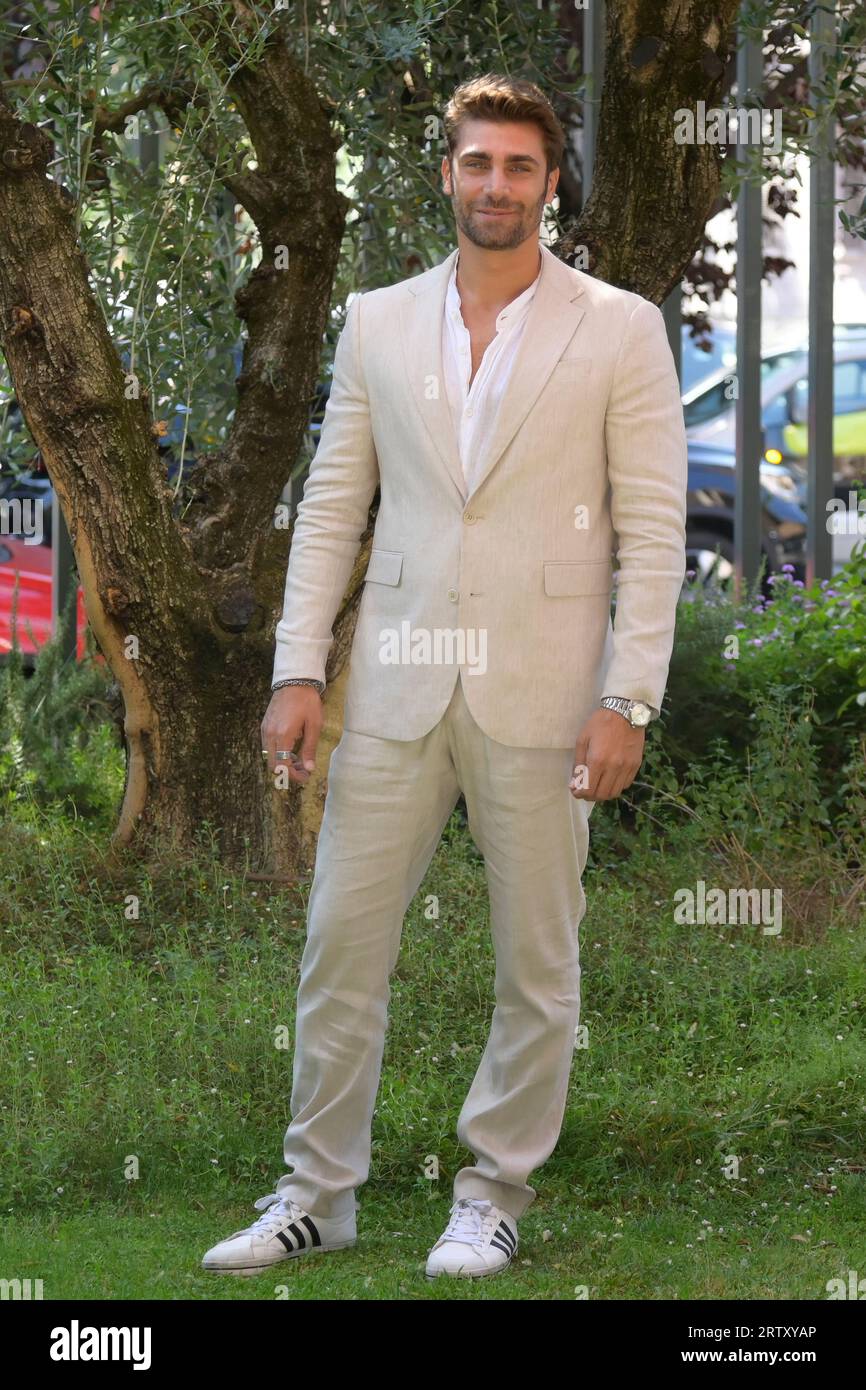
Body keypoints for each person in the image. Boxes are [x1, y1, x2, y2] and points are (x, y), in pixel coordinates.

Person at [202, 72, 687, 1281]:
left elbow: (655, 527)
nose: (495, 185)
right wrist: (297, 667)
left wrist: (627, 695)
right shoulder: (374, 319)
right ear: (445, 173)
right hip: (395, 686)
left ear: (550, 181)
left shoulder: (617, 326)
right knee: (337, 948)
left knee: (536, 962)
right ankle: (317, 1193)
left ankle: (491, 1192)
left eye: (519, 166)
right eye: (477, 163)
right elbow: (331, 506)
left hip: (545, 691)